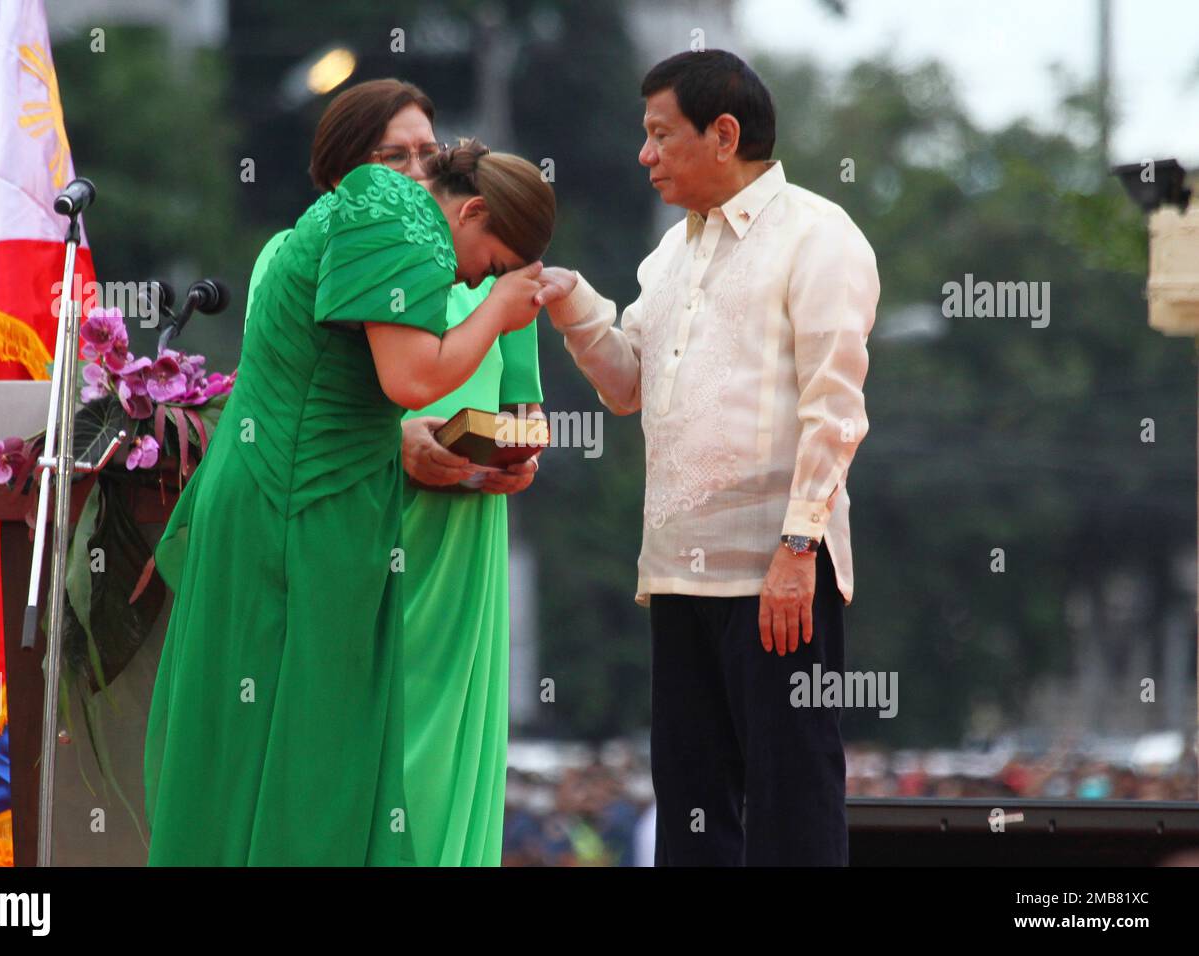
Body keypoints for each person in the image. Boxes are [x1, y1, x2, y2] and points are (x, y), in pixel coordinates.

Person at [143, 136, 555, 866]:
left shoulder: (385, 210)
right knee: (311, 743)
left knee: (315, 739)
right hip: (296, 503)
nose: (472, 280)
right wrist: (496, 310)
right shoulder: (399, 218)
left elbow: (356, 381)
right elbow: (410, 378)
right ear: (476, 210)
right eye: (487, 262)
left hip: (315, 493)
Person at [535, 50, 879, 865]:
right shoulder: (670, 255)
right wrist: (574, 301)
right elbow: (629, 387)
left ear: (723, 135)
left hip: (778, 569)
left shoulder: (818, 235)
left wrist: (798, 548)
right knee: (691, 798)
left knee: (792, 791)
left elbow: (836, 411)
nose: (645, 155)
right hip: (678, 572)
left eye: (660, 135)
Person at [242, 79, 545, 865]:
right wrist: (403, 438)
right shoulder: (295, 253)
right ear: (345, 169)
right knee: (353, 733)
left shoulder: (495, 263)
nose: (416, 169)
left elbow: (527, 406)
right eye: (392, 155)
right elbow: (294, 405)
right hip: (359, 515)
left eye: (427, 152)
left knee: (448, 758)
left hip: (465, 531)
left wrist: (511, 456)